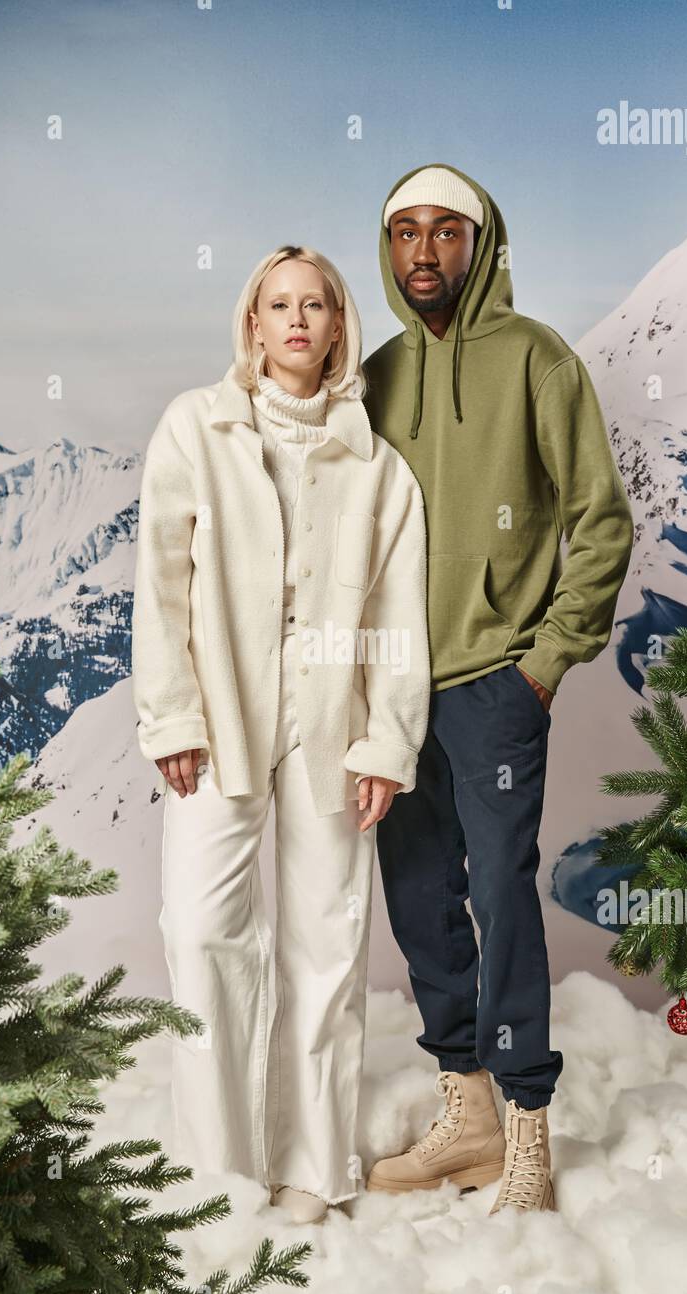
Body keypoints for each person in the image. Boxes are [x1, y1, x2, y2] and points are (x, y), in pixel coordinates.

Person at [131, 245, 430, 1224]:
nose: (297, 320)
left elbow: (394, 617)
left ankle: (314, 1166)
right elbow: (161, 584)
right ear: (250, 323)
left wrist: (386, 741)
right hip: (219, 719)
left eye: (316, 304)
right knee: (202, 929)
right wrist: (173, 713)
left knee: (325, 945)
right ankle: (221, 1168)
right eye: (278, 304)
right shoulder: (194, 430)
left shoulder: (378, 471)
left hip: (331, 731)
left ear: (340, 326)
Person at [362, 164, 635, 1213]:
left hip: (493, 690)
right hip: (391, 693)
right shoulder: (378, 375)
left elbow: (599, 519)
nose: (422, 253)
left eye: (443, 232)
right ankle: (464, 1111)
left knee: (500, 896)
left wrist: (543, 664)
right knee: (419, 899)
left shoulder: (536, 359)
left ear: (481, 245)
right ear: (385, 250)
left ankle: (526, 1128)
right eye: (402, 234)